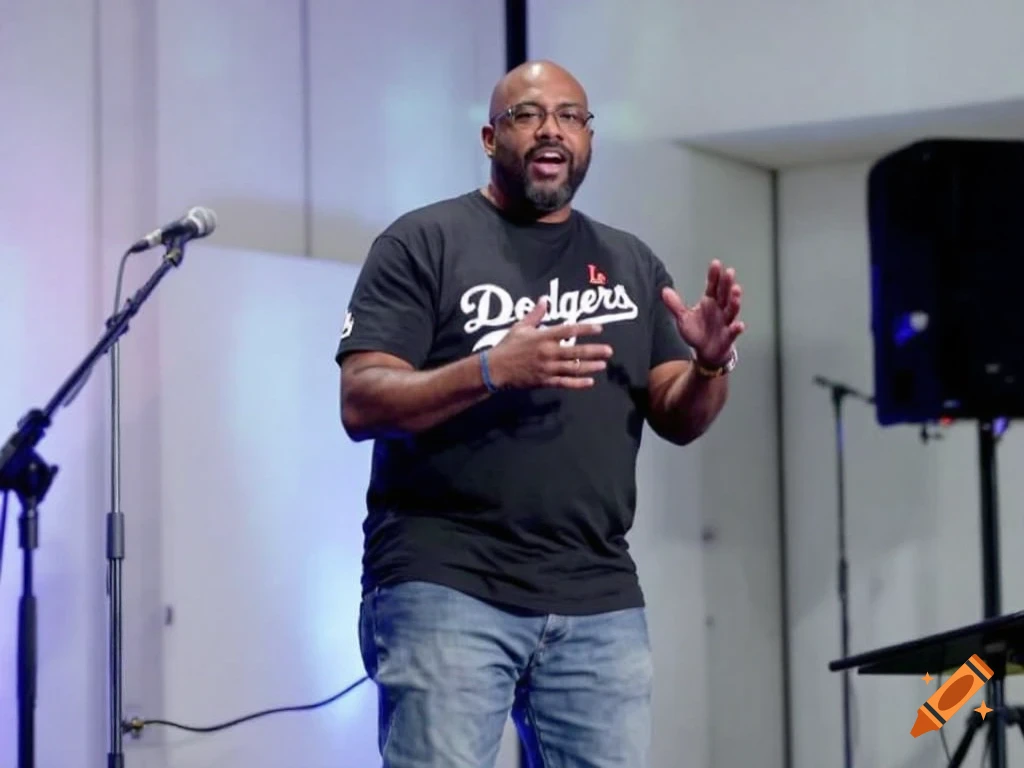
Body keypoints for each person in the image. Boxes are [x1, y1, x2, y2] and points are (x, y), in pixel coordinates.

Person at [335, 60, 745, 768]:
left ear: (588, 140)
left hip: (598, 594)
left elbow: (679, 415)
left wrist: (707, 364)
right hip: (447, 583)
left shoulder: (630, 262)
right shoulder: (423, 242)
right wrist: (493, 369)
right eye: (528, 115)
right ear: (492, 137)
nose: (552, 128)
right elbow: (362, 399)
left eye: (571, 116)